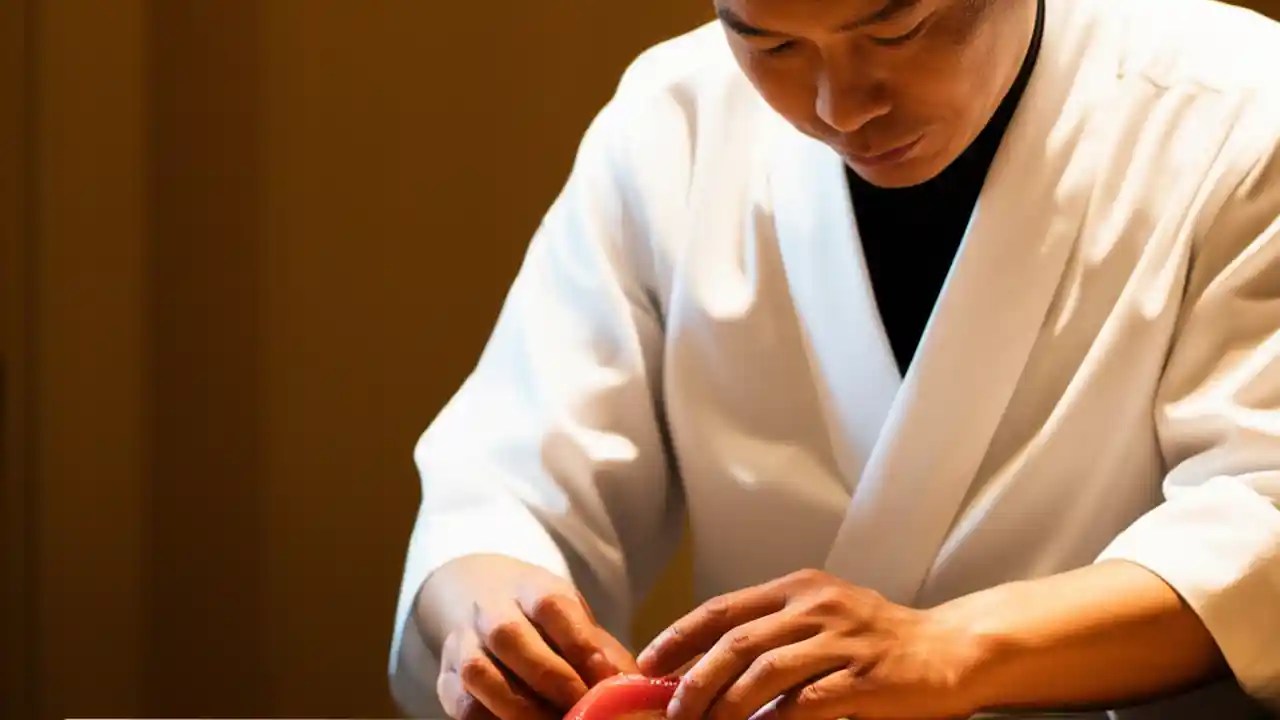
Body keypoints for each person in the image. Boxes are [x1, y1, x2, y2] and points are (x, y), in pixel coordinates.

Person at [388, 0, 1280, 716]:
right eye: (769, 43)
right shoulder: (673, 120)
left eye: (898, 29)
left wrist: (951, 649)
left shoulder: (1237, 109)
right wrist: (492, 612)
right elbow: (507, 483)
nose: (840, 105)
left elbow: (1262, 517)